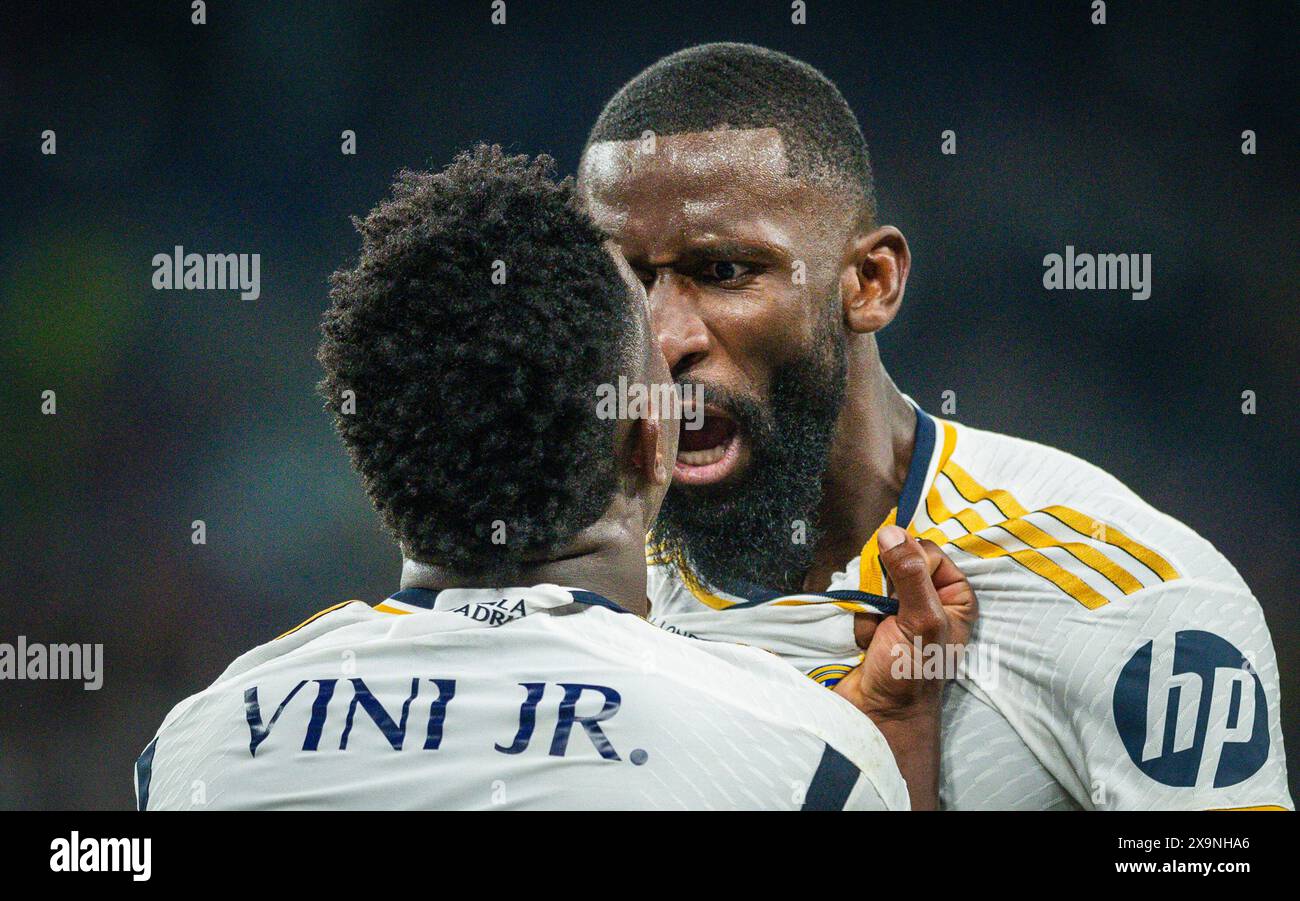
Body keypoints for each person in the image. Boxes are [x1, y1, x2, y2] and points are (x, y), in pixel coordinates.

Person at [134, 145, 973, 811]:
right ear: (651, 440)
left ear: (377, 458)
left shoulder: (196, 749)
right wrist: (893, 729)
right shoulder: (798, 753)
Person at [577, 42, 1290, 810]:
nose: (661, 335)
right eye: (624, 281)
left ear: (870, 283)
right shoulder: (560, 581)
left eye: (723, 272)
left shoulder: (1128, 598)